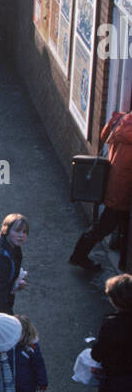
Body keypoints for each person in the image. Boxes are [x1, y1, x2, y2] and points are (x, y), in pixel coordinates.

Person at [69, 108, 132, 272]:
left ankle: (122, 263)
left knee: (111, 225)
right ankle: (79, 256)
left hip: (113, 183)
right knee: (106, 226)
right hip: (123, 191)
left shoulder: (121, 119)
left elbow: (104, 137)